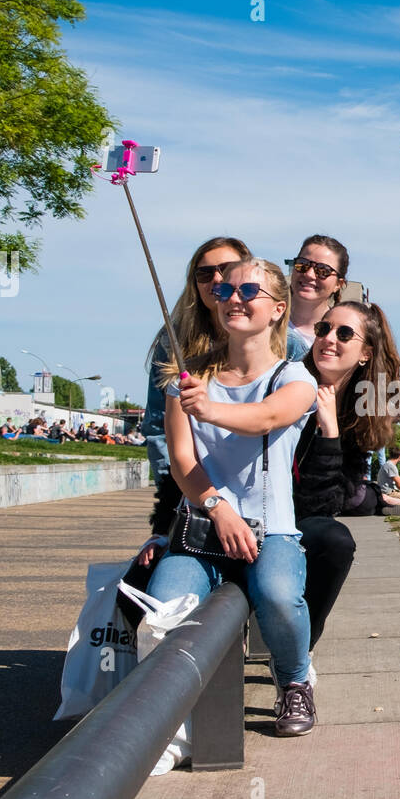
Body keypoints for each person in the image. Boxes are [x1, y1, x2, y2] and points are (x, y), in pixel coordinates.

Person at [146, 257, 318, 740]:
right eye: (224, 292)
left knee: (280, 597)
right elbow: (182, 460)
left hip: (272, 528)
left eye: (248, 291)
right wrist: (217, 508)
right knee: (166, 609)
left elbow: (265, 418)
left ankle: (294, 681)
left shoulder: (295, 377)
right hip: (202, 525)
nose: (233, 299)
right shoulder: (186, 376)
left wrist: (210, 408)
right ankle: (174, 715)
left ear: (278, 309)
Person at [292, 300, 400, 650]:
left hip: (300, 514)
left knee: (336, 541)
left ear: (365, 353)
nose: (329, 338)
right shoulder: (291, 385)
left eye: (344, 333)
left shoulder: (357, 409)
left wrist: (331, 432)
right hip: (262, 512)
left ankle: (299, 655)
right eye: (323, 329)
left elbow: (330, 501)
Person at [136, 236, 252, 569]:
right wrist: (166, 513)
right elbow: (159, 428)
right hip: (195, 494)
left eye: (227, 270)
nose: (216, 279)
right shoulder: (173, 340)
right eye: (204, 274)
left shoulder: (279, 337)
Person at [285, 234, 348, 359]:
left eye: (323, 271)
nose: (309, 274)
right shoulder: (266, 322)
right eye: (302, 265)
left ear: (338, 284)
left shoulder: (344, 335)